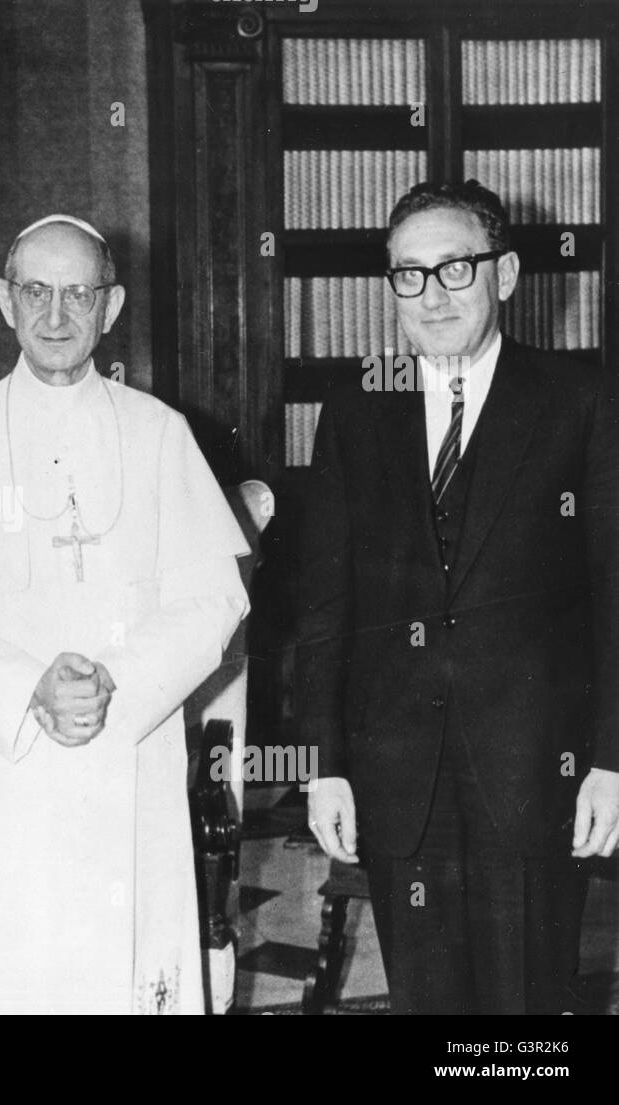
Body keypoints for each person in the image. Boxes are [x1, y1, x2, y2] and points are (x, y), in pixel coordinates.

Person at [0, 214, 250, 1014]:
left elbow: (213, 597)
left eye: (78, 293)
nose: (55, 315)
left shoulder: (160, 436)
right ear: (3, 301)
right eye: (36, 292)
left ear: (111, 307)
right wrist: (29, 689)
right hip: (0, 768)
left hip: (130, 756)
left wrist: (114, 682)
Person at [299, 179, 619, 1015]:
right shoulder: (355, 413)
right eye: (409, 274)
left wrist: (613, 761)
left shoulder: (581, 403)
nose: (430, 296)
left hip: (536, 771)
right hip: (399, 776)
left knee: (524, 1022)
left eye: (455, 269)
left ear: (506, 276)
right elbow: (326, 604)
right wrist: (325, 764)